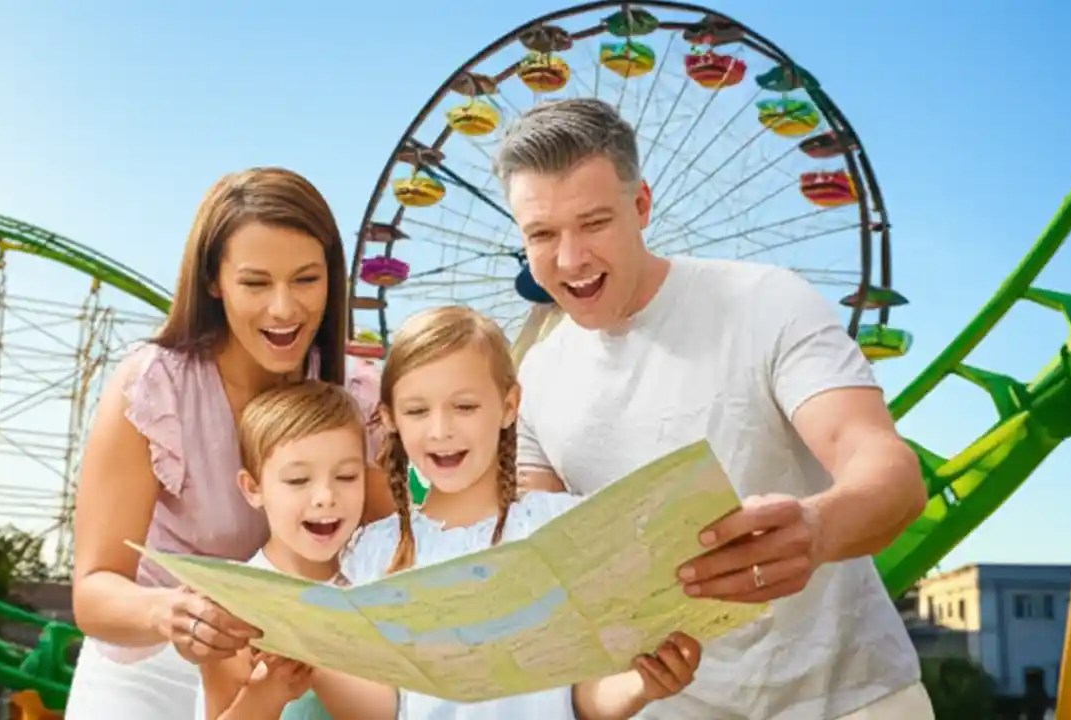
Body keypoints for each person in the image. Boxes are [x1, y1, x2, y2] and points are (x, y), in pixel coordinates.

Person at [498, 98, 932, 719]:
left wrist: (817, 528)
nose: (569, 260)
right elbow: (537, 547)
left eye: (594, 223)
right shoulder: (536, 377)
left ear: (641, 205)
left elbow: (887, 470)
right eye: (541, 234)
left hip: (850, 697)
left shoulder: (765, 301)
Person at [64, 167, 394, 718]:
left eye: (307, 280)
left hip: (294, 679)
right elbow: (93, 591)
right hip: (150, 671)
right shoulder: (153, 388)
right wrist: (172, 611)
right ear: (215, 281)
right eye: (256, 283)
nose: (284, 308)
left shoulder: (353, 395)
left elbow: (394, 554)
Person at [311, 305, 702, 720]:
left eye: (464, 406)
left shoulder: (566, 527)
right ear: (390, 418)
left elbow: (585, 697)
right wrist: (310, 660)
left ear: (510, 405)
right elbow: (383, 711)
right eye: (417, 411)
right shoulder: (374, 551)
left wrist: (640, 684)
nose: (440, 430)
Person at [199, 380, 369, 720]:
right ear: (253, 488)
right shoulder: (235, 603)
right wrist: (268, 693)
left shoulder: (375, 583)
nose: (325, 496)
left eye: (347, 476)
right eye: (298, 481)